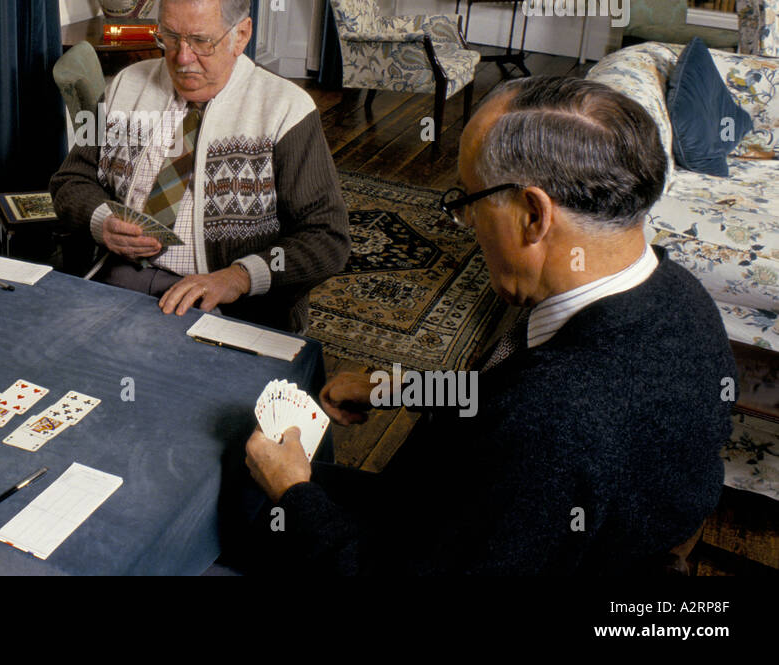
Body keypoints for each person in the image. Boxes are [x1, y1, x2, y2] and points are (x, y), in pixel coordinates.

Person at [243, 75, 736, 573]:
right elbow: (509, 387)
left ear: (533, 215)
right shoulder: (679, 294)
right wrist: (400, 390)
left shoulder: (553, 424)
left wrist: (293, 494)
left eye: (471, 203)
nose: (468, 224)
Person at [49, 0, 350, 333]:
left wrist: (239, 277)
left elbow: (327, 238)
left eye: (201, 41)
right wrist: (101, 222)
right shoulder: (127, 85)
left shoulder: (285, 110)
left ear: (241, 35)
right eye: (170, 36)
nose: (182, 57)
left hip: (233, 308)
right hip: (118, 279)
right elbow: (70, 180)